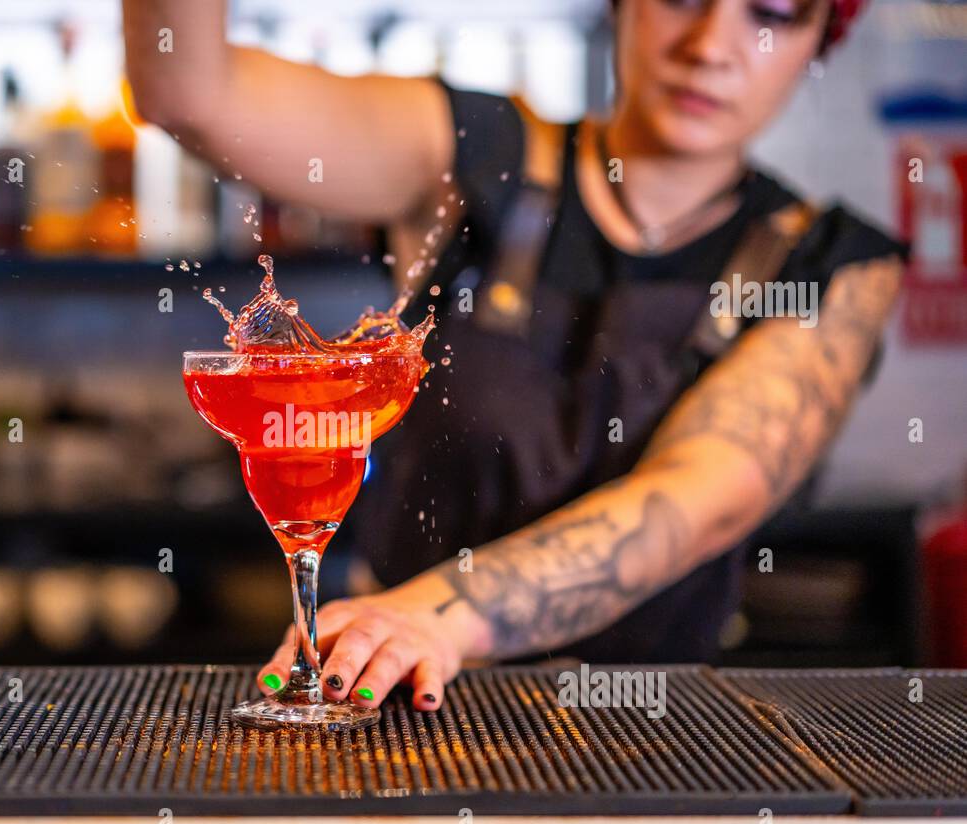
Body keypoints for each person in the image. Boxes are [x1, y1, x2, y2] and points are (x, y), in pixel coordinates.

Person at [124, 0, 907, 709]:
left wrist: (437, 616)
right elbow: (189, 94)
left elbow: (700, 498)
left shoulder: (833, 266)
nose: (712, 46)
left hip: (646, 737)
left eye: (772, 14)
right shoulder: (474, 152)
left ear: (818, 44)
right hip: (389, 696)